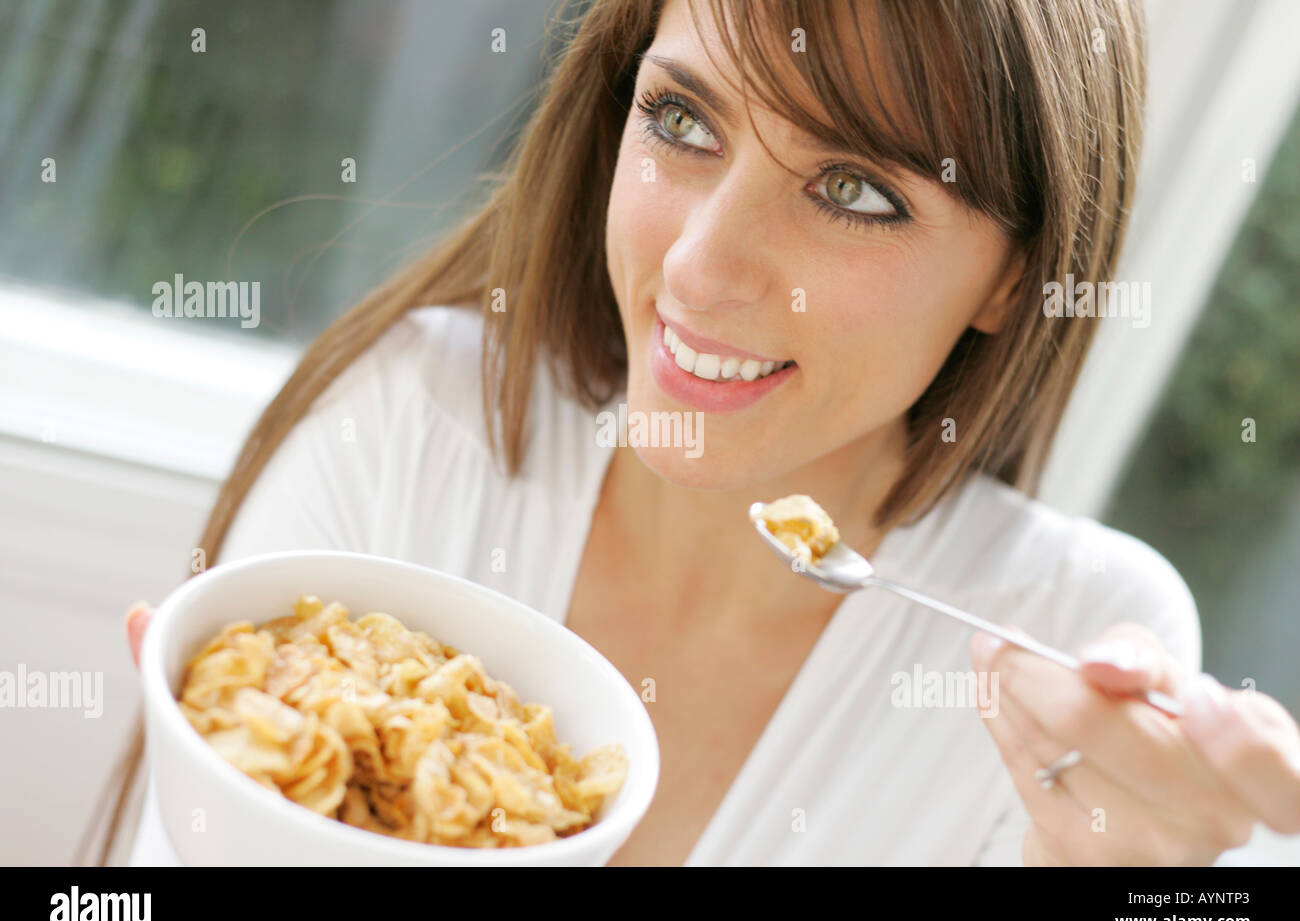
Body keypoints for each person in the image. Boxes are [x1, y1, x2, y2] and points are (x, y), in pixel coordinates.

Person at [112, 0, 1300, 865]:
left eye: (853, 191)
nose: (697, 264)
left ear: (1013, 279)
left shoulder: (1074, 644)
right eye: (682, 119)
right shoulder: (409, 428)